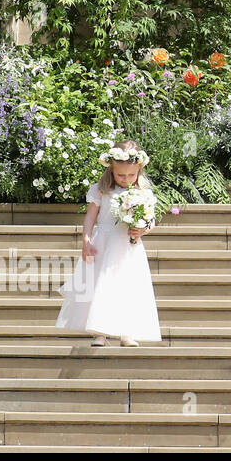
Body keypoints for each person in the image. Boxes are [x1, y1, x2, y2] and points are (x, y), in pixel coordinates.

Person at [56, 141, 161, 347]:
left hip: (128, 246)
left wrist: (143, 229)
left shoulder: (143, 193)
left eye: (131, 175)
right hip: (103, 242)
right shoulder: (101, 190)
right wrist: (86, 239)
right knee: (101, 286)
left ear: (139, 171)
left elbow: (151, 220)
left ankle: (127, 332)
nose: (126, 180)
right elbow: (90, 218)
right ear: (111, 170)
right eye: (121, 175)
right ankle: (100, 332)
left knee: (127, 286)